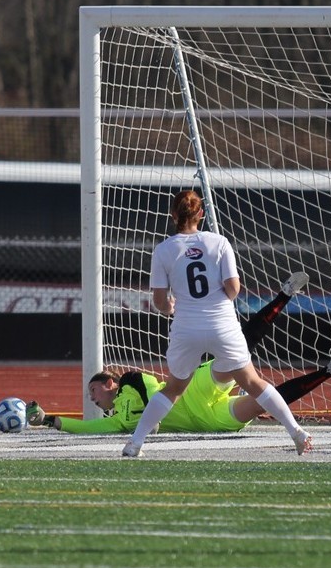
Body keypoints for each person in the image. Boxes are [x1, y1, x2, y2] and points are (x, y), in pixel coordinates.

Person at [30, 272, 331, 435]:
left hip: (193, 390)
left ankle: (285, 294)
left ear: (109, 384)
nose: (92, 398)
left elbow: (144, 381)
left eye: (93, 390)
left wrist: (151, 417)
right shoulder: (118, 422)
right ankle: (327, 371)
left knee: (239, 348)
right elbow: (89, 428)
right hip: (208, 421)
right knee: (263, 402)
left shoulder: (129, 383)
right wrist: (48, 421)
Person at [123, 190, 312, 458]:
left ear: (173, 215)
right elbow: (233, 289)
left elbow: (160, 301)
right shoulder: (219, 242)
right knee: (252, 382)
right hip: (222, 324)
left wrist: (170, 308)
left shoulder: (163, 249)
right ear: (200, 214)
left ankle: (135, 444)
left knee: (173, 389)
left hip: (186, 327)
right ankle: (296, 432)